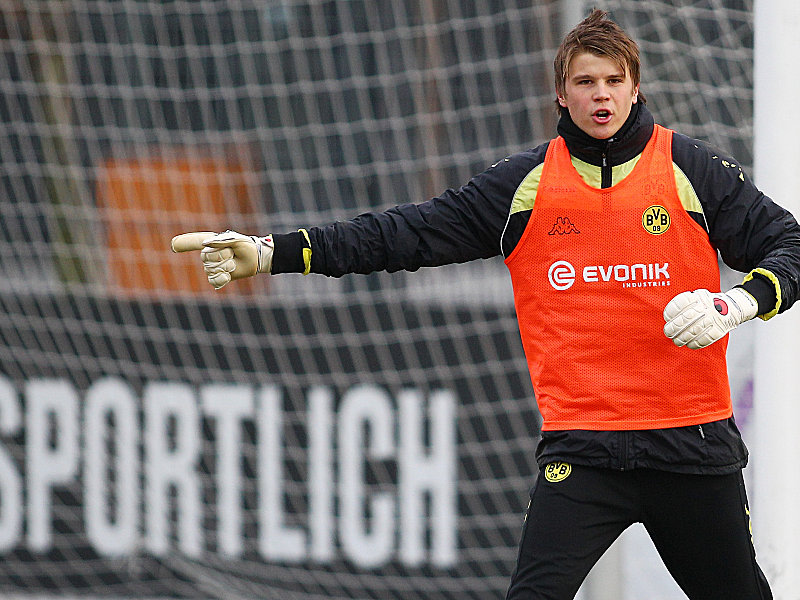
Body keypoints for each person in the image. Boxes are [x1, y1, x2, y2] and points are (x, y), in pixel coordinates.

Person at [171, 9, 800, 600]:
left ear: (635, 89)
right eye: (586, 81)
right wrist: (272, 251)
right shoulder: (525, 185)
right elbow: (405, 234)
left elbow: (789, 242)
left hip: (690, 445)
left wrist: (739, 304)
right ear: (562, 93)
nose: (601, 95)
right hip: (583, 453)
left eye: (614, 80)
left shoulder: (689, 169)